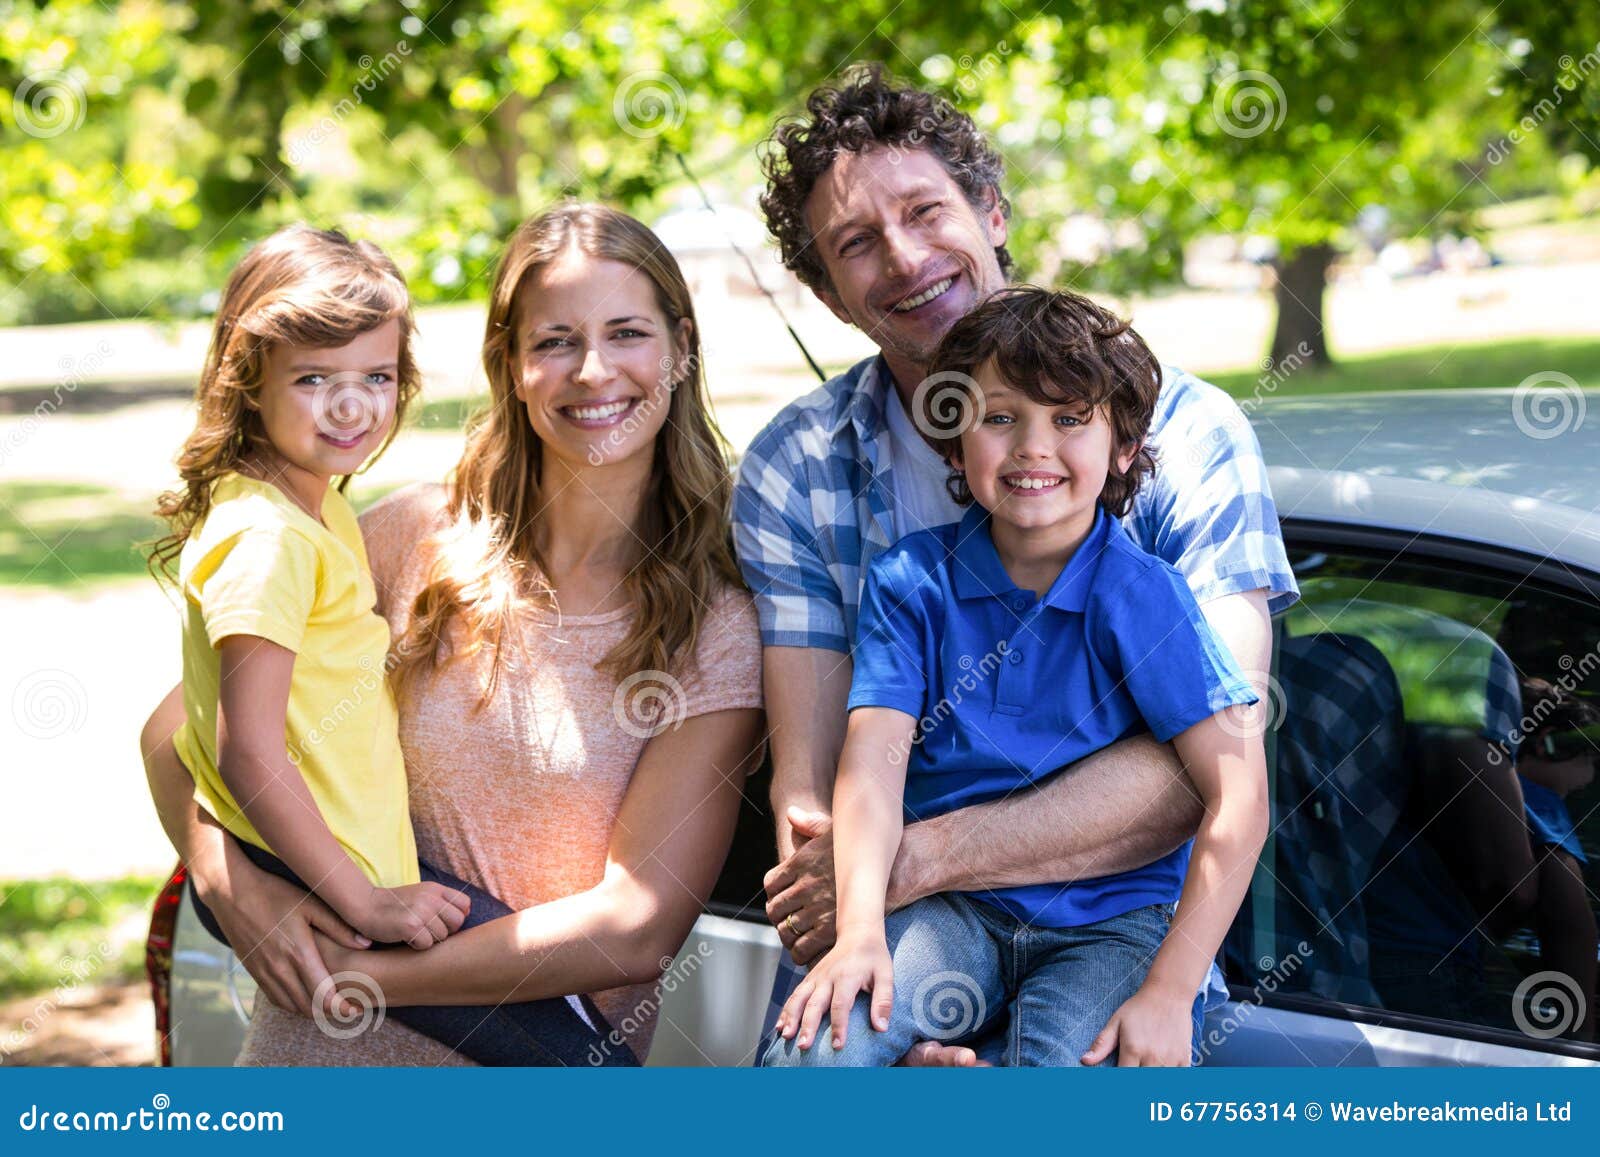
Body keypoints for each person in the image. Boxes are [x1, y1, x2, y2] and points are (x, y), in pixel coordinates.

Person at [735, 64, 1297, 1064]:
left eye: (925, 210)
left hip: (1117, 936)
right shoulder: (804, 477)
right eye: (857, 243)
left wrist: (930, 852)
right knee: (815, 1061)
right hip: (906, 924)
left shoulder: (1183, 437)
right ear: (825, 293)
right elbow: (820, 793)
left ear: (990, 210)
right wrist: (876, 953)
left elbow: (1208, 772)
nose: (904, 258)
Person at [141, 203, 764, 1065]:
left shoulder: (713, 621)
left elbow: (634, 929)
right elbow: (180, 736)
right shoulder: (406, 540)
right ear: (509, 365)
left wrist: (359, 969)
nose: (593, 370)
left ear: (681, 350)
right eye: (552, 342)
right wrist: (231, 882)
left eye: (627, 333)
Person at [761, 288, 1267, 1066]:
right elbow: (872, 766)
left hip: (1113, 922)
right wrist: (860, 931)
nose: (1034, 446)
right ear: (954, 444)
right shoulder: (913, 580)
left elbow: (1240, 798)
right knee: (818, 1047)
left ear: (1124, 446)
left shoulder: (1143, 594)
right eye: (1001, 418)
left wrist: (1171, 990)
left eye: (1070, 419)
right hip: (951, 911)